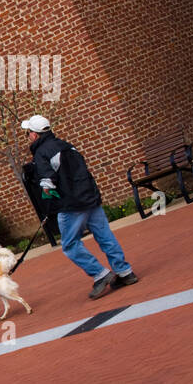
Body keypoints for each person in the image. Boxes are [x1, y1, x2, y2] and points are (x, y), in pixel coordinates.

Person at [23, 115, 138, 299]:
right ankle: (125, 273)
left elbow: (47, 185)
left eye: (28, 132)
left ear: (35, 135)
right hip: (89, 197)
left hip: (70, 205)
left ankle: (100, 275)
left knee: (69, 245)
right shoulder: (67, 145)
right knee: (105, 236)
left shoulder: (42, 153)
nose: (27, 136)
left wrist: (50, 209)